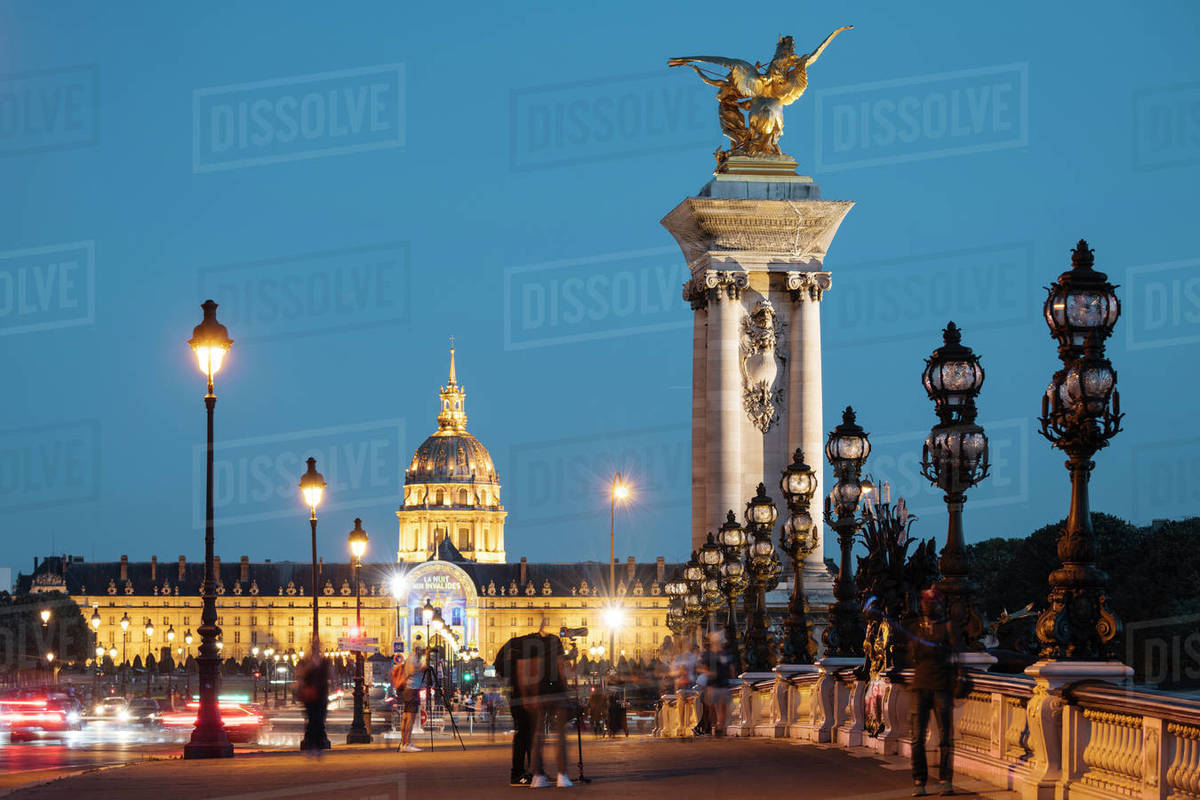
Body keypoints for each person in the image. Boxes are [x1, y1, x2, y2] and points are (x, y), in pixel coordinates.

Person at [906, 588, 957, 797]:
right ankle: (919, 780)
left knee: (945, 737)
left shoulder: (947, 627)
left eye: (930, 603)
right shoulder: (918, 628)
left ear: (938, 605)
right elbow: (913, 656)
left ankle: (945, 780)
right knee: (917, 738)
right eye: (924, 603)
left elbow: (956, 656)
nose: (925, 606)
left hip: (941, 687)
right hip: (920, 686)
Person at [495, 629, 538, 786]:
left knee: (527, 736)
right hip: (522, 700)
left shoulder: (514, 653)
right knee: (524, 736)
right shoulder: (522, 656)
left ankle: (531, 770)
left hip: (517, 699)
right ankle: (518, 773)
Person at [701, 630, 737, 736]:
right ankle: (717, 725)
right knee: (715, 707)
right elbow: (703, 668)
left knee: (723, 708)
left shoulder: (726, 654)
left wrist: (732, 676)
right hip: (713, 685)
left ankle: (719, 726)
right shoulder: (709, 654)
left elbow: (731, 667)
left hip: (724, 684)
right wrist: (709, 673)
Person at [294, 649, 330, 755]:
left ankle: (313, 743)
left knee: (313, 719)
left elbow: (301, 679)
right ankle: (316, 742)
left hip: (314, 697)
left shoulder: (311, 666)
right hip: (314, 697)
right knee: (316, 719)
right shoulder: (320, 666)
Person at [390, 643, 424, 753]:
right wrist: (423, 666)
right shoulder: (412, 658)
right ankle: (406, 743)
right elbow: (412, 670)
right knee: (410, 718)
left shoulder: (411, 658)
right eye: (422, 650)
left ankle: (405, 743)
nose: (423, 652)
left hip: (409, 690)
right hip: (412, 690)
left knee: (406, 717)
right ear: (418, 650)